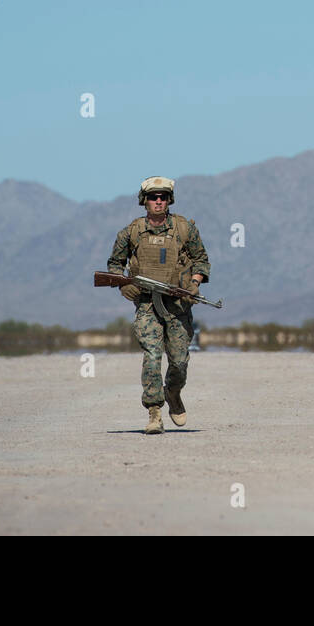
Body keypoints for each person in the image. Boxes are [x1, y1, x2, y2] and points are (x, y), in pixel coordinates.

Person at [107, 176, 211, 434]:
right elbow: (114, 265)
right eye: (153, 197)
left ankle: (173, 392)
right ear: (144, 201)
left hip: (177, 305)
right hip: (146, 304)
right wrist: (123, 285)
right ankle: (154, 412)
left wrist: (194, 283)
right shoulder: (131, 232)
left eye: (163, 197)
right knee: (152, 354)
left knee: (179, 362)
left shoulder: (184, 229)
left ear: (169, 200)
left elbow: (201, 260)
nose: (158, 201)